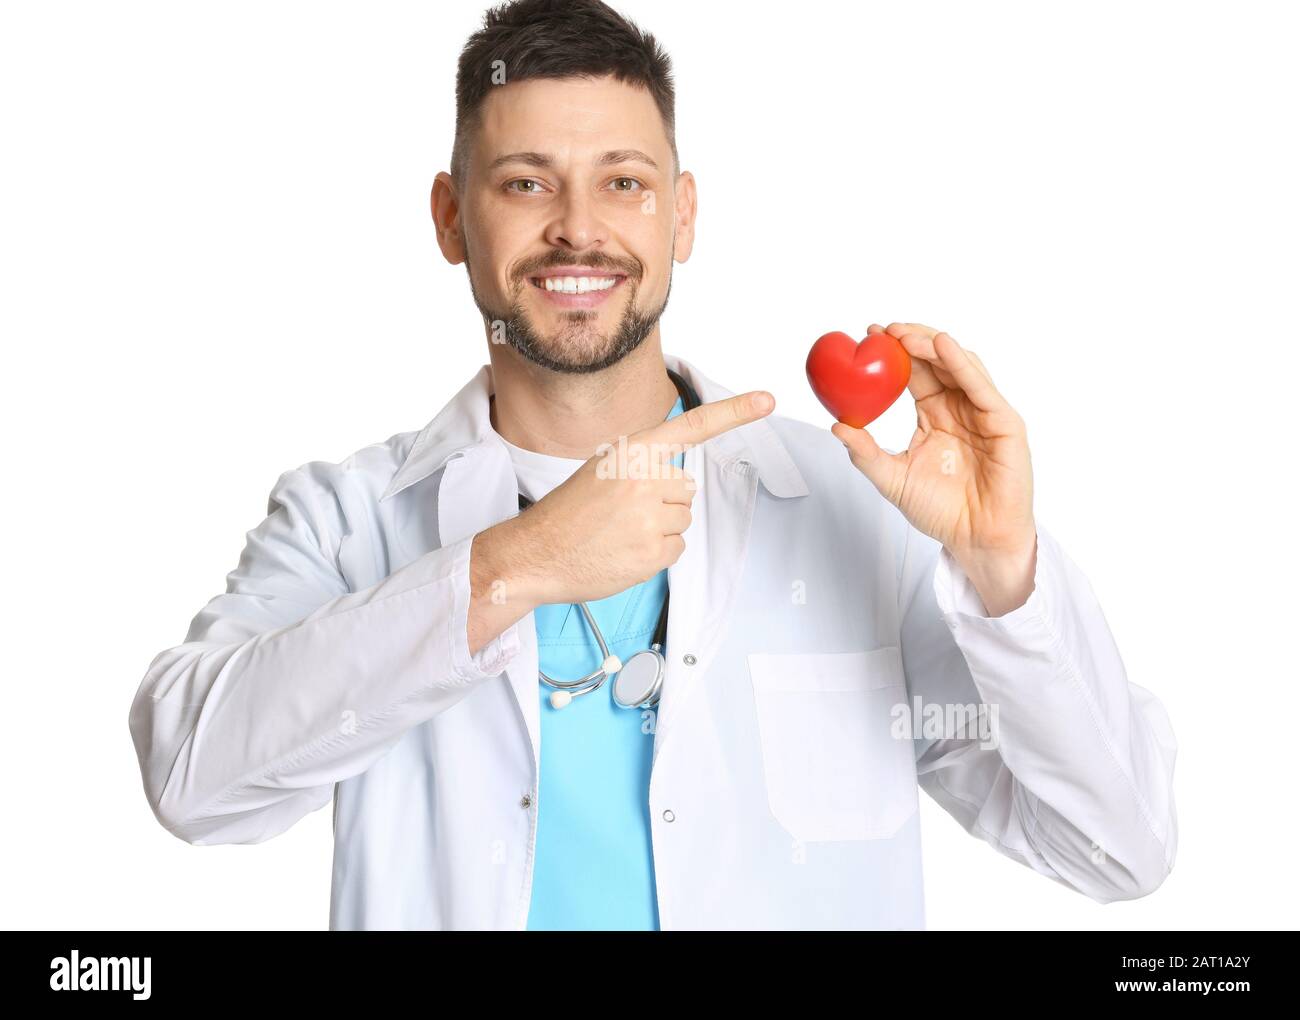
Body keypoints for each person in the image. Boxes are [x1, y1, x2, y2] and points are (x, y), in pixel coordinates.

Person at [128, 0, 1177, 930]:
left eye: (623, 183)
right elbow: (191, 779)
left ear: (681, 214)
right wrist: (506, 569)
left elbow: (1118, 851)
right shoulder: (345, 520)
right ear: (451, 217)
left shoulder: (858, 515)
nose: (578, 230)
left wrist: (1003, 573)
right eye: (526, 182)